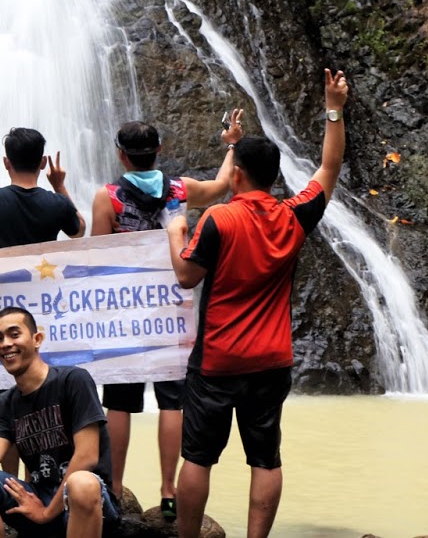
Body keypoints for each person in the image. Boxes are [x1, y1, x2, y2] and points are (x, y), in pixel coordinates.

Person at [165, 70, 350, 538]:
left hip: (218, 360)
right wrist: (334, 110)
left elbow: (186, 277)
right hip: (271, 360)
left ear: (238, 174)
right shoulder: (294, 215)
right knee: (265, 458)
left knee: (198, 457)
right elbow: (329, 169)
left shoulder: (218, 219)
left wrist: (176, 235)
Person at [89, 111, 243, 518]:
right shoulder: (180, 189)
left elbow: (95, 256)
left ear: (121, 155)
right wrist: (231, 144)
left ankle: (114, 487)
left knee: (119, 401)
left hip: (124, 308)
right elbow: (223, 186)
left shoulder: (108, 197)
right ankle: (169, 489)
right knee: (172, 401)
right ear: (158, 150)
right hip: (172, 306)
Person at [0, 307, 121, 538]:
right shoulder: (6, 402)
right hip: (37, 499)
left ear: (37, 339)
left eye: (14, 334)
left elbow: (87, 457)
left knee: (81, 483)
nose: (6, 344)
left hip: (88, 504)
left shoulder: (73, 380)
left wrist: (46, 513)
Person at [0, 127, 84, 253]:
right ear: (43, 162)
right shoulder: (59, 203)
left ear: (6, 163)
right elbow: (79, 231)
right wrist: (59, 186)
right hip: (42, 266)